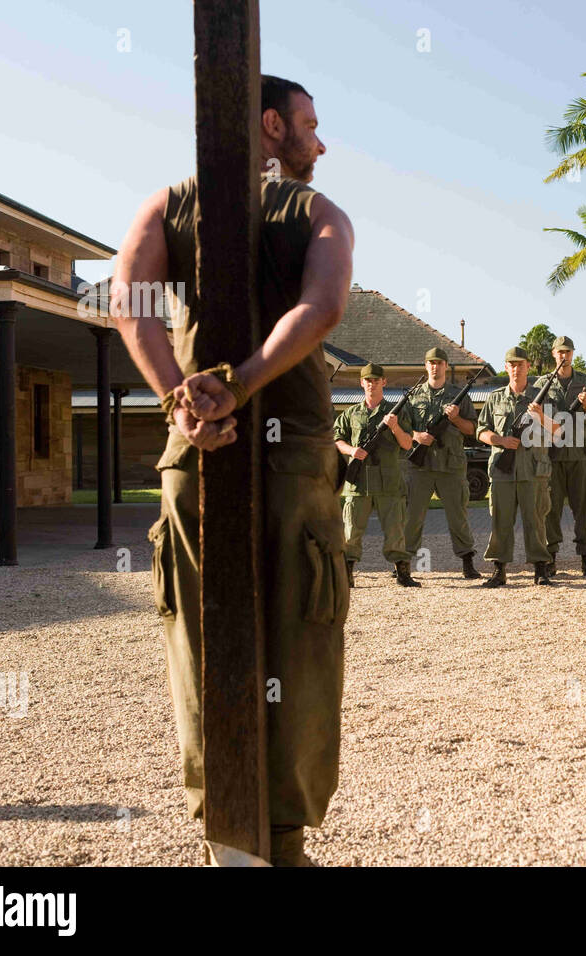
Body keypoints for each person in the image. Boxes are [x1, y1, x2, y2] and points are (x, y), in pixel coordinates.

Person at [114, 75, 352, 865]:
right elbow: (320, 309)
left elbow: (130, 301)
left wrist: (182, 400)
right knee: (300, 645)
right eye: (310, 126)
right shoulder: (317, 213)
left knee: (198, 636)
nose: (319, 144)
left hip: (195, 451)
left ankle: (227, 842)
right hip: (287, 460)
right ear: (272, 124)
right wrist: (241, 386)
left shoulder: (166, 207)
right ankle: (278, 843)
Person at [476, 347, 561, 586]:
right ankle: (499, 570)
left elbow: (560, 432)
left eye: (520, 364)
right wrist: (501, 440)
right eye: (511, 365)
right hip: (503, 470)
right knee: (501, 520)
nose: (516, 369)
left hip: (534, 470)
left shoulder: (544, 398)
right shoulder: (495, 398)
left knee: (535, 520)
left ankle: (541, 570)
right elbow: (480, 430)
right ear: (506, 368)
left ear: (528, 367)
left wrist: (542, 417)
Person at [333, 363, 418, 587]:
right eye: (367, 380)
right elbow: (336, 440)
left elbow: (408, 443)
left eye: (376, 380)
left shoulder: (396, 413)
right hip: (358, 482)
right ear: (362, 383)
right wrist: (352, 450)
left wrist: (395, 427)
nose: (372, 384)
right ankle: (347, 573)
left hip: (388, 481)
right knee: (351, 530)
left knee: (395, 529)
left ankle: (402, 573)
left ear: (384, 382)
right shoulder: (351, 413)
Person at [403, 348, 482, 580]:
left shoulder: (460, 395)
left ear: (446, 366)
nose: (435, 367)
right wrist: (417, 436)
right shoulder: (414, 396)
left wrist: (456, 418)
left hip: (451, 465)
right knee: (413, 516)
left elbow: (472, 429)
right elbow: (402, 429)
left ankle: (467, 562)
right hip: (421, 466)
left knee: (458, 516)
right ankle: (404, 563)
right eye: (431, 363)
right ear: (426, 366)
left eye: (439, 363)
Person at [536, 335, 586, 578]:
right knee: (551, 510)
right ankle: (551, 558)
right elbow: (533, 416)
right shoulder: (542, 384)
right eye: (560, 352)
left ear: (573, 354)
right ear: (554, 354)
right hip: (552, 456)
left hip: (580, 455)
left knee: (582, 508)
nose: (563, 356)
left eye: (568, 351)